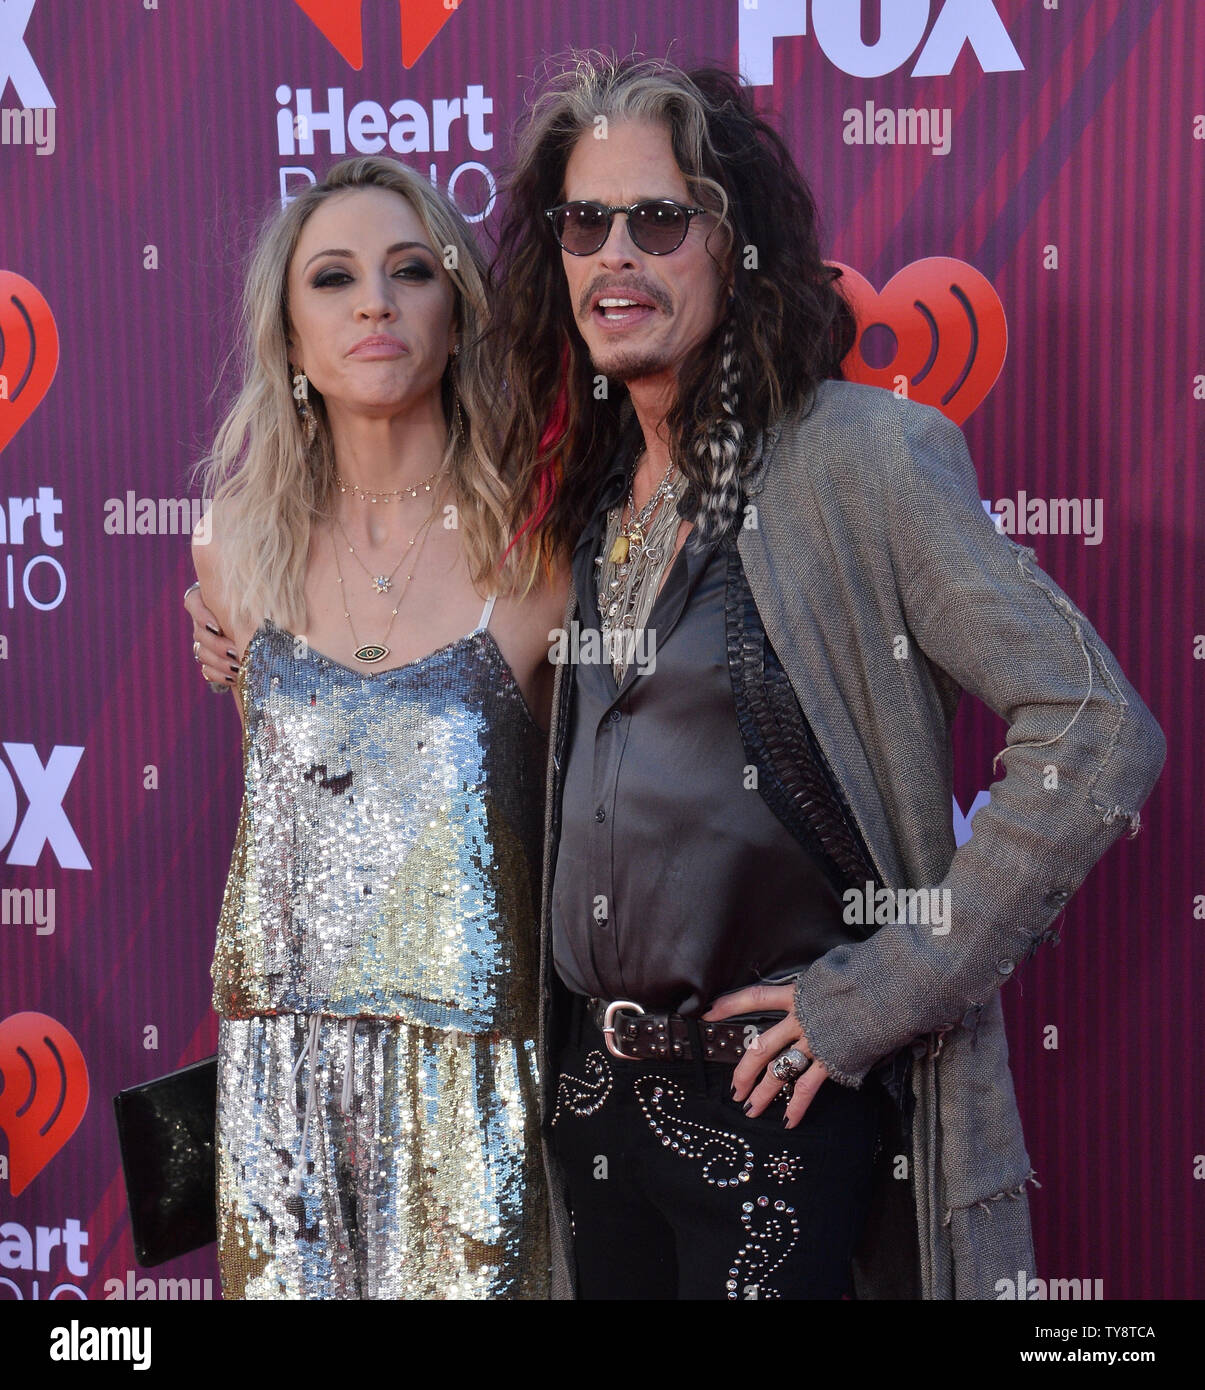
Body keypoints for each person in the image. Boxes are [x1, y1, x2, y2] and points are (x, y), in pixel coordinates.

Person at [482, 53, 1167, 1299]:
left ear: (736, 248)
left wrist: (882, 991)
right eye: (585, 222)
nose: (615, 254)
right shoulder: (582, 495)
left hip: (779, 1108)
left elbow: (1096, 725)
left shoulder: (864, 458)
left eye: (659, 218)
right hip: (588, 1107)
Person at [187, 154, 566, 1299]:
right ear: (289, 338)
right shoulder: (229, 554)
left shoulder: (541, 560)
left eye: (411, 271)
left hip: (476, 1092)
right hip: (277, 1092)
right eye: (333, 278)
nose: (374, 303)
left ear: (457, 315)